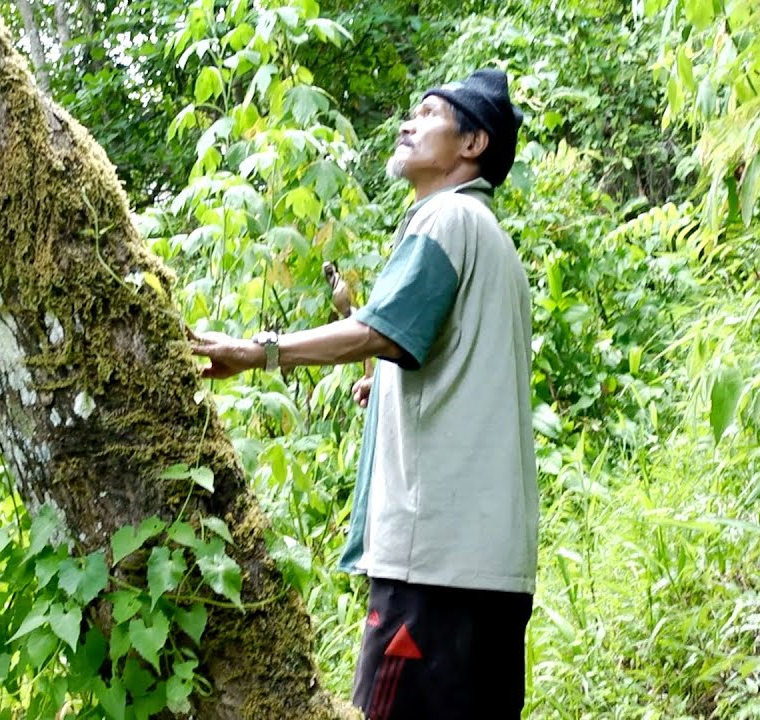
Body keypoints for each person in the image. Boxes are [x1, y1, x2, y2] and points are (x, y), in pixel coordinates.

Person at [190, 68, 538, 719]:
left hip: (434, 570)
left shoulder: (445, 219)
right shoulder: (490, 239)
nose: (409, 123)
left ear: (473, 145)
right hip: (492, 572)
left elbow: (378, 330)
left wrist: (256, 352)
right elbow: (439, 358)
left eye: (430, 113)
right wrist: (384, 389)